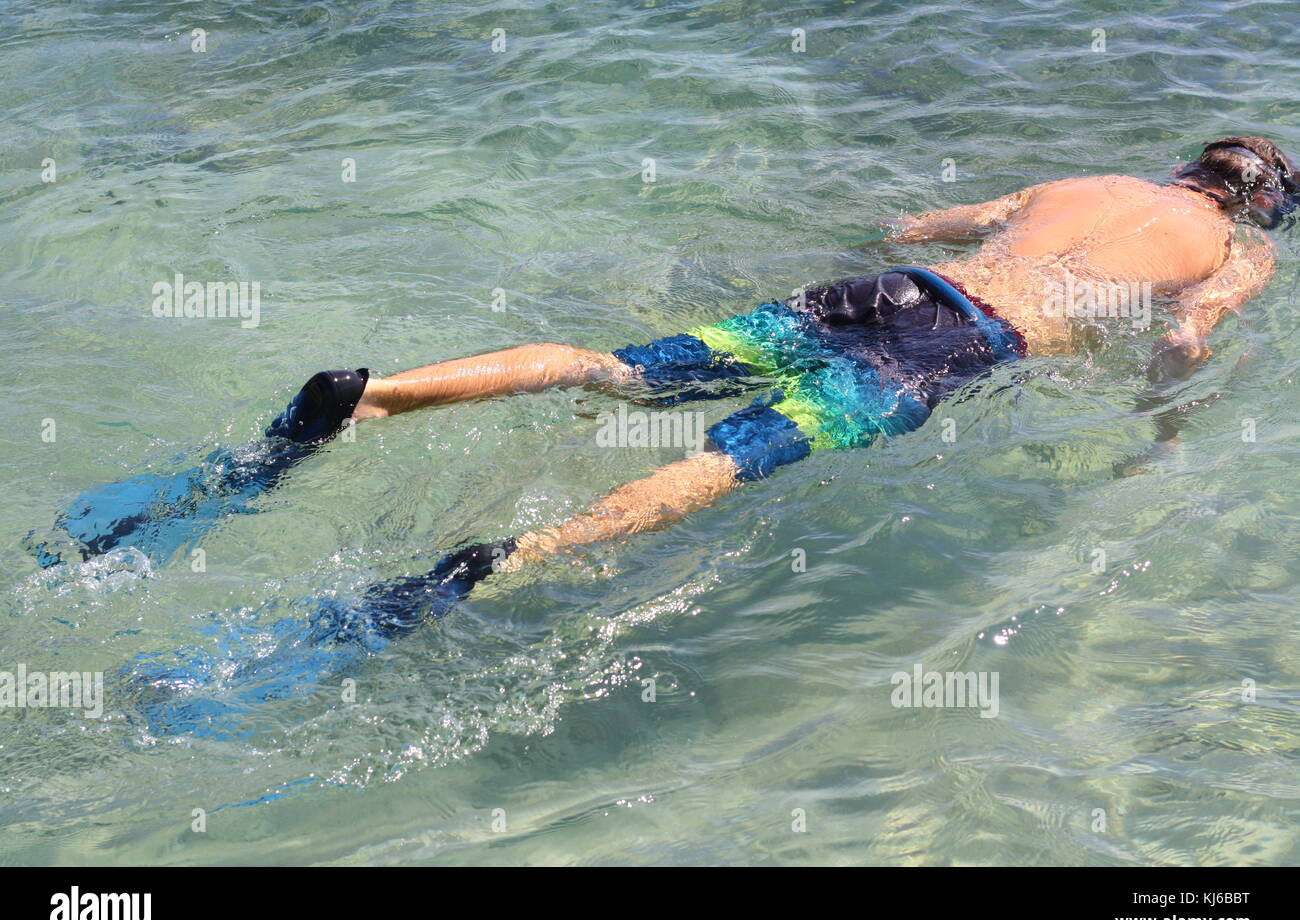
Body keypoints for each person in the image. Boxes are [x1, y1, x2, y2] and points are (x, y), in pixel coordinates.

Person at [50, 136, 1298, 631]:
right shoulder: (1234, 255)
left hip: (891, 295)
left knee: (618, 371)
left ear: (1188, 167)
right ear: (1260, 213)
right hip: (957, 349)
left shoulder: (1071, 183)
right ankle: (498, 564)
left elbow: (908, 222)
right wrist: (1165, 428)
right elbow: (1185, 336)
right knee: (720, 462)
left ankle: (368, 396)